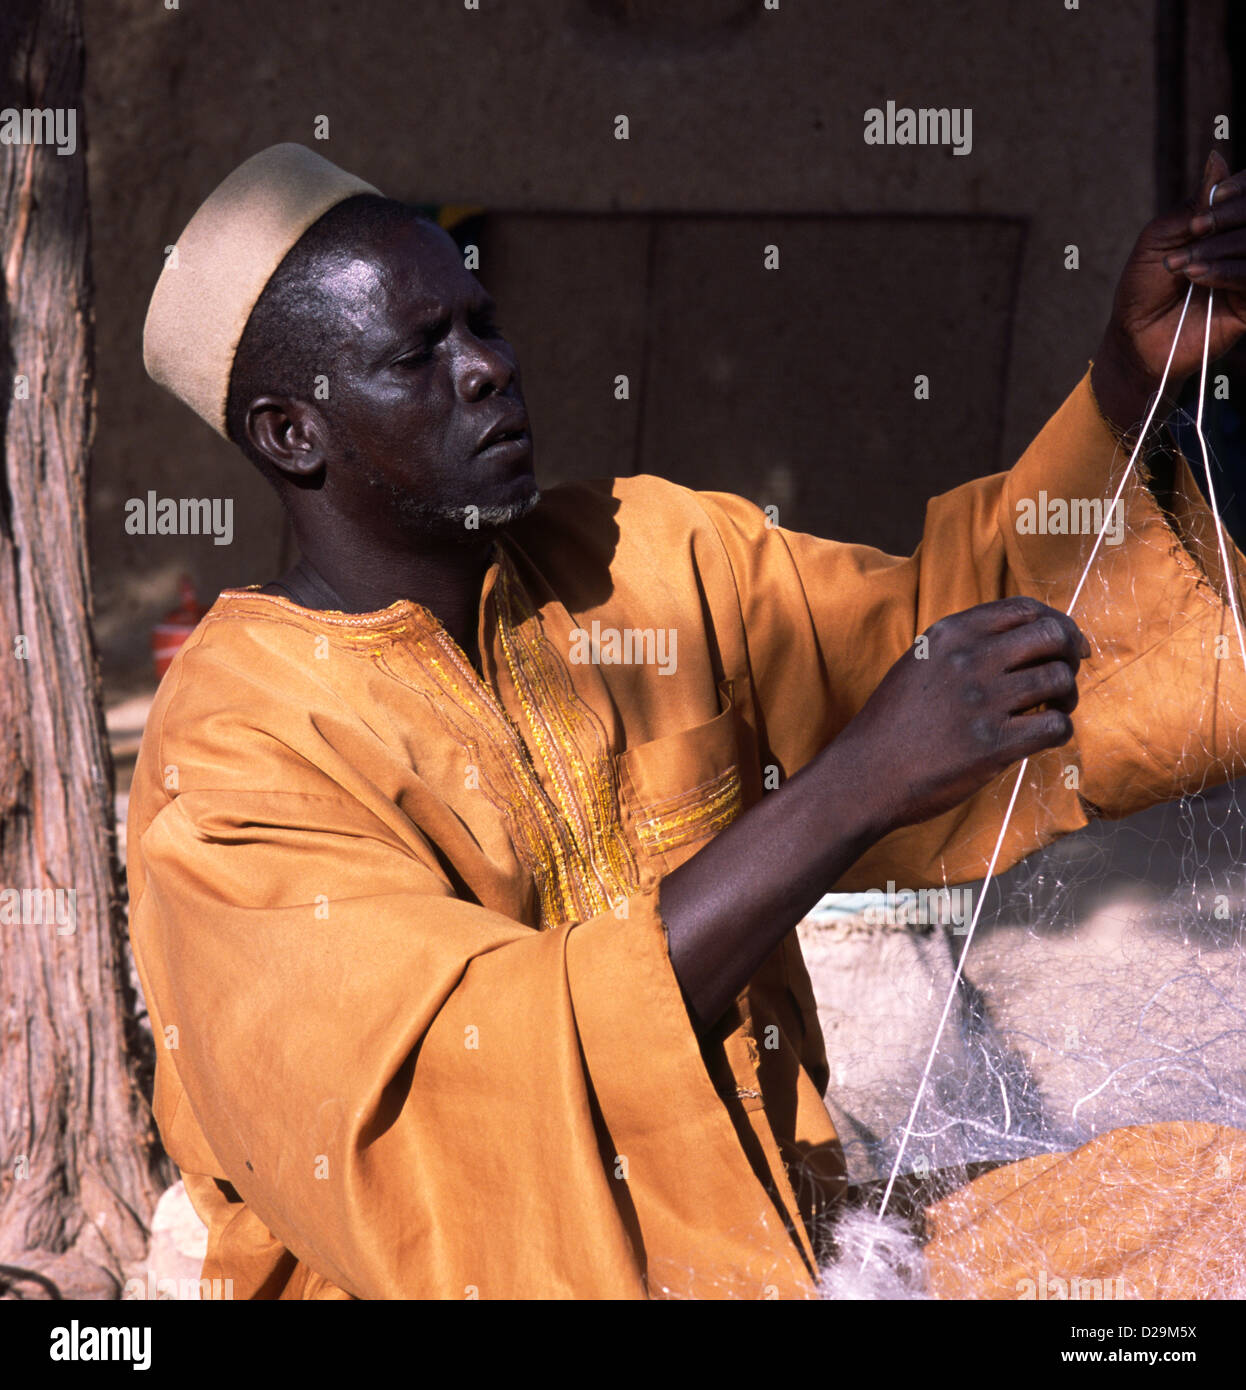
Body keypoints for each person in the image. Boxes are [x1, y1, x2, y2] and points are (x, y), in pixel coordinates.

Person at [129, 142, 1246, 1299]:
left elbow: (931, 631)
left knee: (1215, 1201)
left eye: (482, 322)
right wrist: (853, 786)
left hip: (771, 1229)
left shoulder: (639, 551)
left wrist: (1127, 379)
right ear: (288, 435)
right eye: (418, 356)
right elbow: (469, 1085)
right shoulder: (232, 751)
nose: (487, 370)